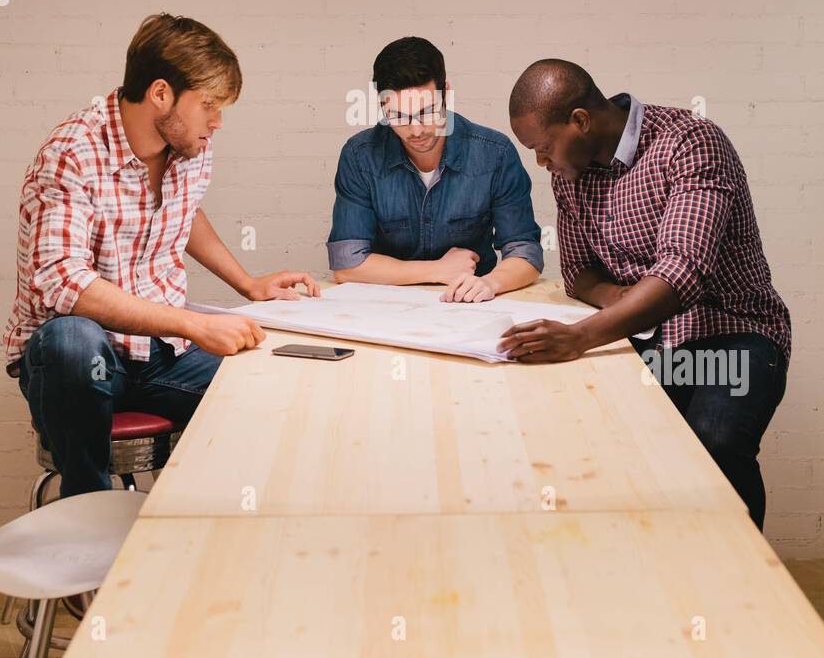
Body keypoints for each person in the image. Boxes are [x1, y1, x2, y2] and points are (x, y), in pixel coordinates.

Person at [4, 13, 319, 496]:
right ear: (160, 94)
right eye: (210, 105)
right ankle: (88, 516)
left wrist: (248, 284)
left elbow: (183, 213)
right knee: (72, 341)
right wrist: (190, 323)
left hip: (158, 357)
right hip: (85, 361)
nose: (217, 122)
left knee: (267, 379)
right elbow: (62, 281)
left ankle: (209, 534)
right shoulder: (73, 152)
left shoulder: (189, 147)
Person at [500, 58, 791, 529]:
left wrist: (578, 337)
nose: (542, 161)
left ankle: (742, 581)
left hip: (734, 331)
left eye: (544, 146)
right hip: (647, 335)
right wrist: (623, 299)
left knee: (712, 443)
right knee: (600, 438)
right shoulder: (571, 175)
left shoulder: (691, 143)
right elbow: (578, 272)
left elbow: (683, 272)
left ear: (580, 121)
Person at [327, 36, 543, 301]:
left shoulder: (495, 153)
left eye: (427, 112)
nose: (416, 130)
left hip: (468, 303)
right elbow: (347, 265)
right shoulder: (359, 156)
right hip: (385, 305)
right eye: (397, 117)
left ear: (447, 94)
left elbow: (525, 252)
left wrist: (490, 283)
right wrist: (437, 270)